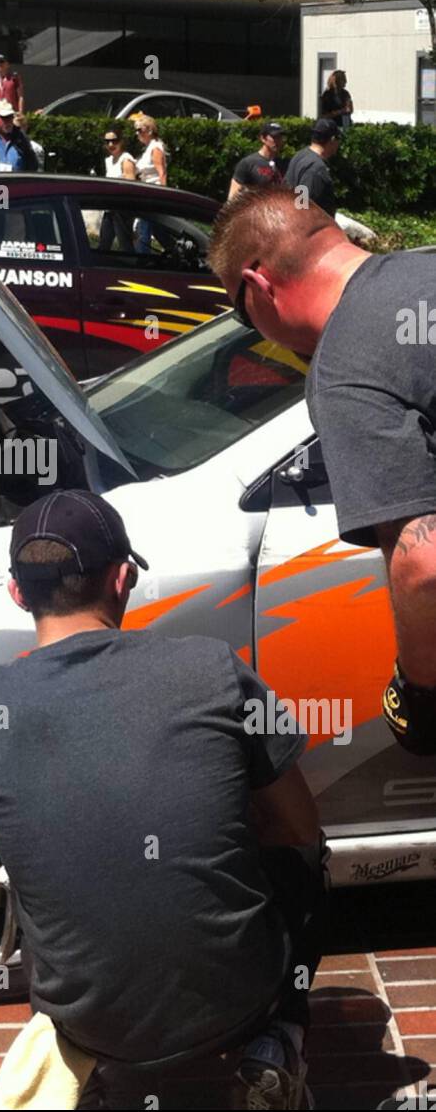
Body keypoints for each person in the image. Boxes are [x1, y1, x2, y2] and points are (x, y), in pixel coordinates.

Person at [0, 489, 325, 1110]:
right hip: (237, 997)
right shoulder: (212, 669)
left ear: (18, 593)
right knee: (305, 856)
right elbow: (299, 825)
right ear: (123, 580)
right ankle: (276, 1040)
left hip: (89, 1019)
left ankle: (95, 1071)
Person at [208, 184, 436, 758]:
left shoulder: (345, 367)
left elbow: (425, 564)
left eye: (239, 312)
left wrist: (422, 695)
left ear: (259, 284)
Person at [283, 118, 340, 219]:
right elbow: (304, 207)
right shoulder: (316, 168)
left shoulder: (300, 155)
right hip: (307, 228)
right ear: (332, 140)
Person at [132, 113, 167, 255]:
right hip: (147, 192)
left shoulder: (155, 148)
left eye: (139, 130)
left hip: (153, 194)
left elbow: (162, 172)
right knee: (154, 229)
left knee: (144, 229)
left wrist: (164, 194)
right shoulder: (148, 148)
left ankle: (142, 258)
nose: (137, 133)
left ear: (150, 131)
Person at [99, 125, 136, 252]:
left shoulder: (126, 159)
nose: (110, 144)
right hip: (109, 208)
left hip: (122, 208)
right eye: (107, 141)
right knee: (104, 244)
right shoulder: (109, 160)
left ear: (121, 142)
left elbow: (131, 185)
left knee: (125, 244)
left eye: (114, 141)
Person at [228, 121, 287, 200]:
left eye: (280, 137)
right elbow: (233, 197)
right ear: (263, 138)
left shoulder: (285, 163)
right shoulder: (247, 163)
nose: (278, 141)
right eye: (274, 137)